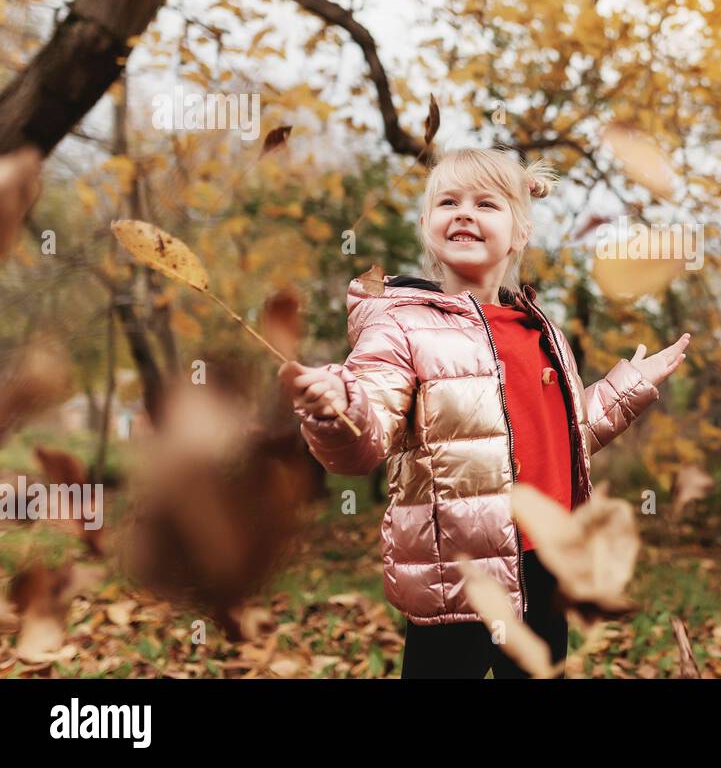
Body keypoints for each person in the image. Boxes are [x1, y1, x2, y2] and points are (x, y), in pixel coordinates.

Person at [278, 145, 691, 677]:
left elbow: (569, 438)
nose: (465, 212)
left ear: (519, 233)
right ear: (428, 224)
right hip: (459, 571)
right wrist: (337, 410)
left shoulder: (541, 330)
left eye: (486, 204)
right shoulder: (401, 328)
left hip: (548, 562)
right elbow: (367, 437)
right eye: (449, 201)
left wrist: (628, 386)